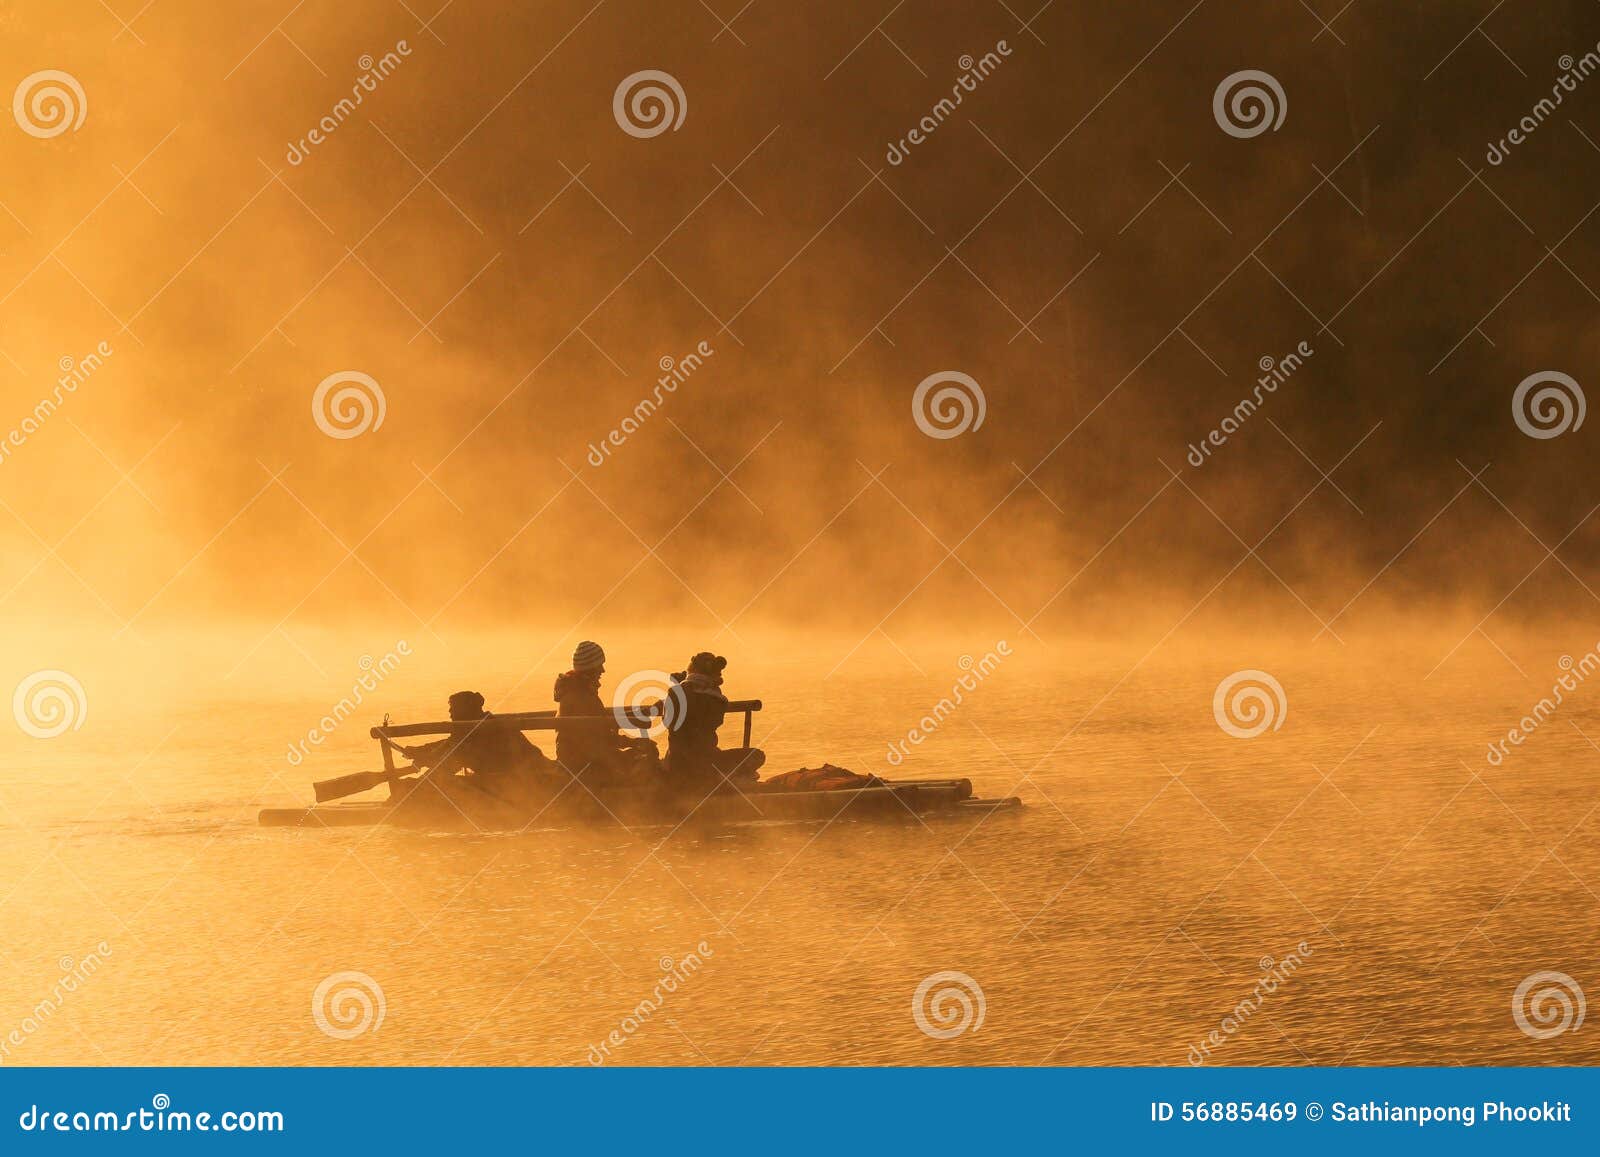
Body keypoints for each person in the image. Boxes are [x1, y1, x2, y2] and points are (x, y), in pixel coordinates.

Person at [552, 641, 657, 789]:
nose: (603, 670)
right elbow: (596, 742)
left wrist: (631, 742)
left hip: (582, 757)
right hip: (584, 764)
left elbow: (599, 733)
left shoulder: (579, 691)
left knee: (641, 752)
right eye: (599, 665)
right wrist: (631, 747)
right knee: (647, 759)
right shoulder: (581, 696)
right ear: (589, 668)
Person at [663, 652, 764, 793]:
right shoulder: (715, 699)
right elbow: (714, 719)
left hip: (677, 764)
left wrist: (679, 686)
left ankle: (718, 780)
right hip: (706, 763)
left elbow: (669, 720)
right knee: (756, 755)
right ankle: (721, 782)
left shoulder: (676, 693)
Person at [399, 690, 549, 785]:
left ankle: (417, 792)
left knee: (445, 768)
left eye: (454, 708)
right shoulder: (473, 727)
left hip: (534, 777)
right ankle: (417, 790)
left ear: (466, 710)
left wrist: (423, 758)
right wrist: (419, 751)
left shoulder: (485, 729)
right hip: (520, 777)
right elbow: (446, 744)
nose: (450, 712)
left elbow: (448, 754)